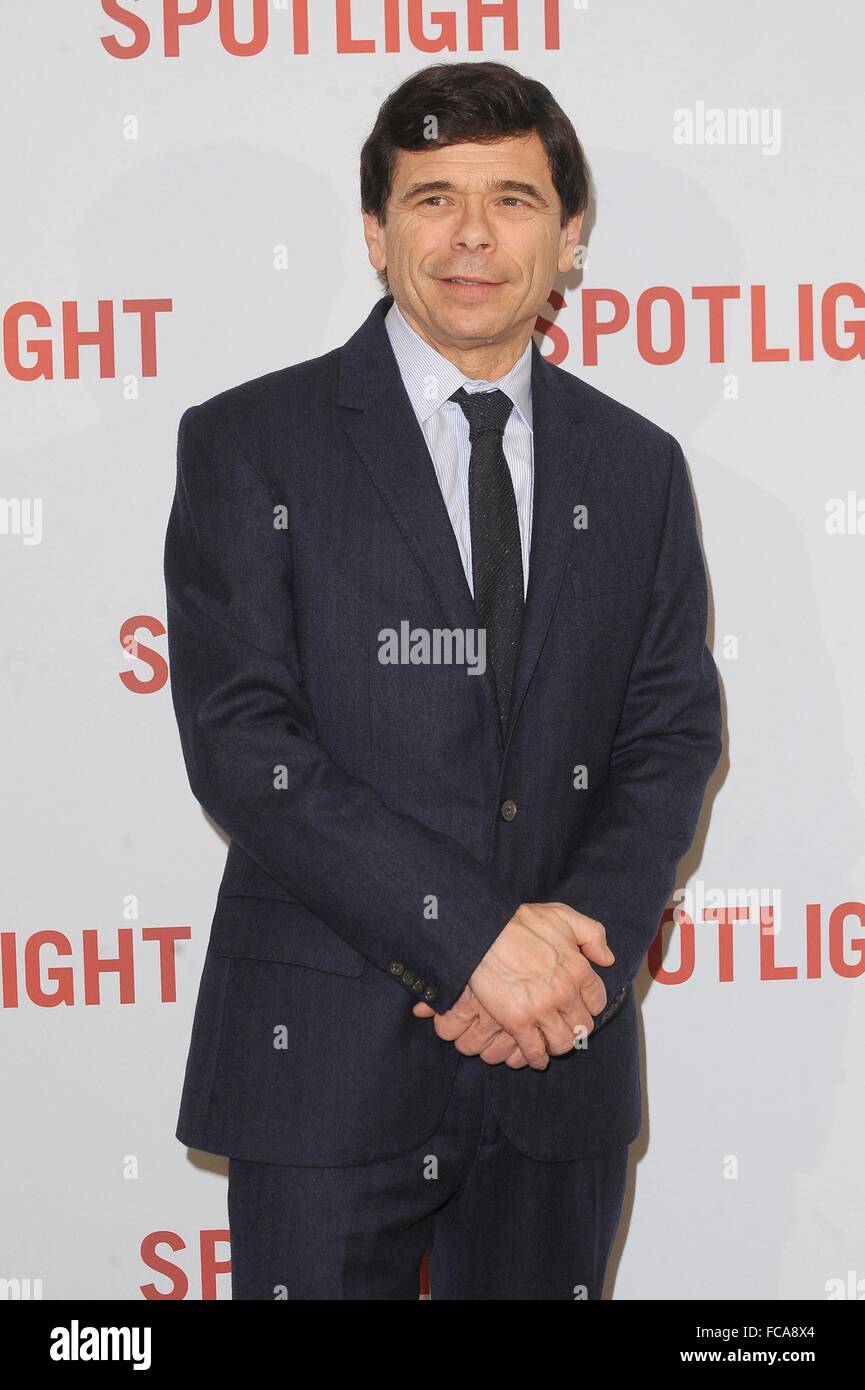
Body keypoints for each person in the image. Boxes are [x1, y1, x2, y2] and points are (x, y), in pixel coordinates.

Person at [164, 60, 723, 1300]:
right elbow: (244, 740)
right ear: (375, 231)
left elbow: (671, 735)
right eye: (432, 198)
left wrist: (566, 971)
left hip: (557, 1068)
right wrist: (478, 949)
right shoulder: (251, 442)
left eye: (514, 198)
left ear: (568, 236)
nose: (472, 234)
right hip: (322, 1067)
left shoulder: (637, 465)